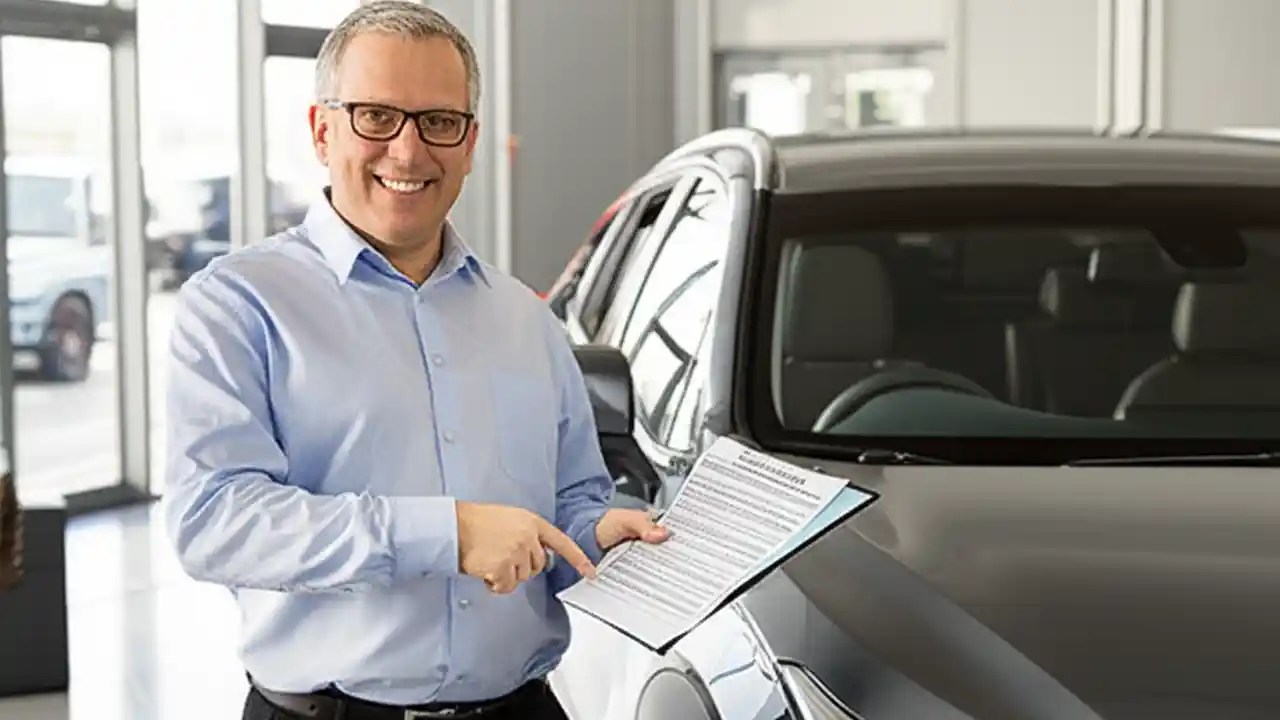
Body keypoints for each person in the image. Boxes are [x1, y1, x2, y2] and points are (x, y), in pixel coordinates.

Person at [161, 3, 668, 719]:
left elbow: (566, 510)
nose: (407, 151)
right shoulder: (239, 304)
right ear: (321, 130)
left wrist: (599, 535)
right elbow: (214, 521)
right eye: (376, 116)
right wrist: (448, 535)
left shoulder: (525, 316)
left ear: (469, 142)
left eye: (438, 121)